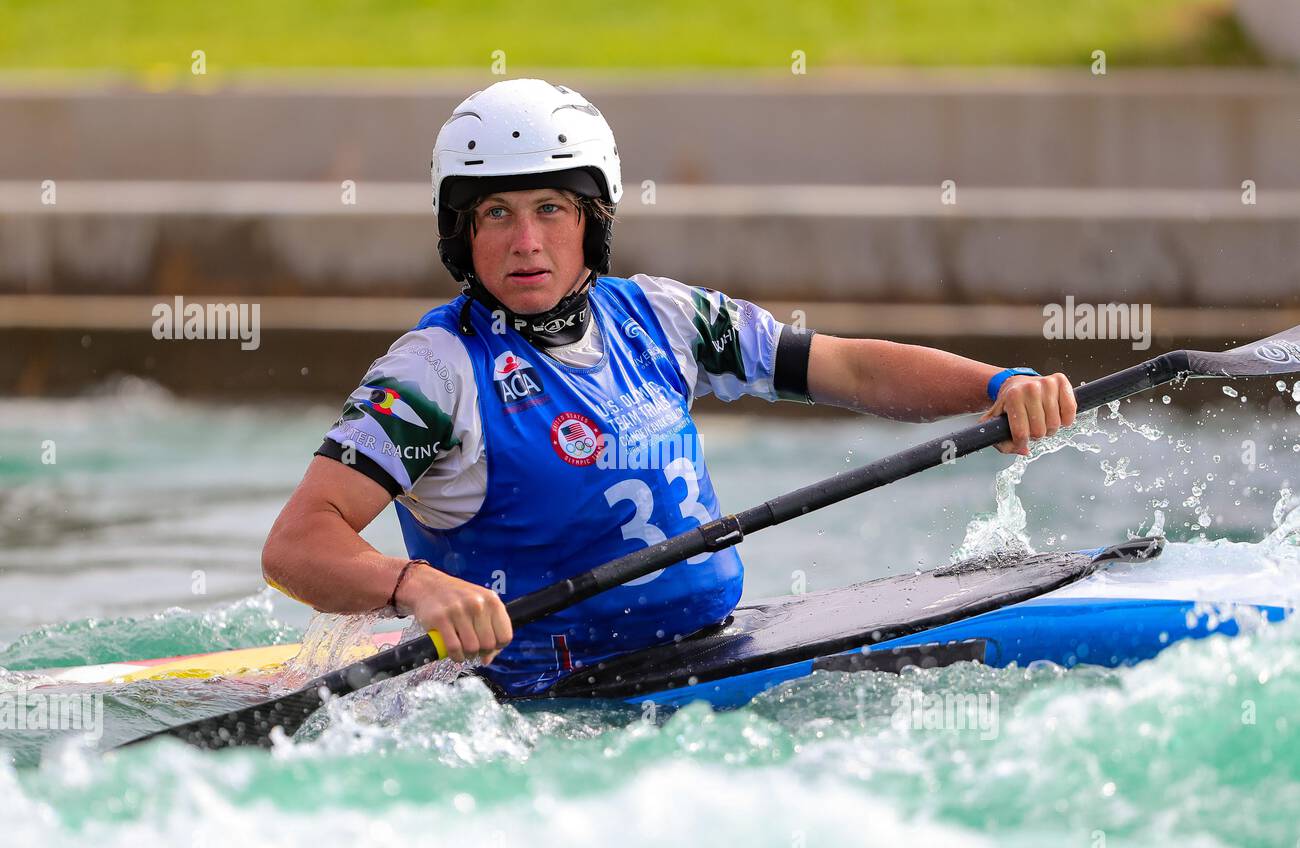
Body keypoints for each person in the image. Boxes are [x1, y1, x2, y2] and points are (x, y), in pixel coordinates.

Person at [261, 78, 1077, 697]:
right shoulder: (434, 374)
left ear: (593, 220)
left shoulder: (661, 316)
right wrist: (414, 587)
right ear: (460, 233)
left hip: (715, 654)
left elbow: (849, 368)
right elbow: (296, 545)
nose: (526, 241)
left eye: (551, 208)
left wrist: (996, 385)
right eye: (496, 214)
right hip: (539, 707)